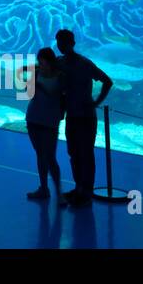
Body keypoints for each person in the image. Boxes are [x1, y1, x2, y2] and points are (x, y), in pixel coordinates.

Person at [55, 29, 111, 208]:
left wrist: (96, 102)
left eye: (64, 42)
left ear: (72, 43)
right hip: (71, 116)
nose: (61, 45)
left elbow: (107, 81)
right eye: (59, 42)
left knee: (86, 154)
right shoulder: (59, 62)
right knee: (73, 153)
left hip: (86, 117)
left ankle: (86, 192)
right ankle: (79, 188)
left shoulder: (85, 63)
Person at [23, 47, 64, 200]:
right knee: (40, 155)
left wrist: (42, 88)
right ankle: (44, 188)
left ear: (50, 61)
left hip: (50, 120)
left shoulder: (60, 76)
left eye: (44, 62)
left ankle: (59, 192)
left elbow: (60, 97)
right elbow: (28, 95)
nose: (42, 65)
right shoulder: (36, 73)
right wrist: (31, 83)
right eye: (40, 62)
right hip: (33, 117)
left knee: (50, 157)